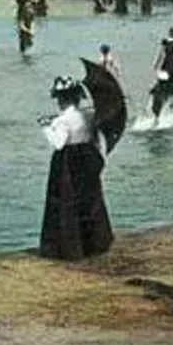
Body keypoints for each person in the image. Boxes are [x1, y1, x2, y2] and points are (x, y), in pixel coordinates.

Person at [38, 76, 113, 260]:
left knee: (66, 201)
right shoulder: (88, 115)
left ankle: (69, 247)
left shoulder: (62, 120)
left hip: (68, 162)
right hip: (87, 157)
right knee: (89, 199)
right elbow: (95, 137)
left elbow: (59, 143)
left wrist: (46, 127)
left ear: (62, 99)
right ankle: (95, 243)